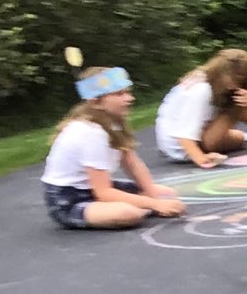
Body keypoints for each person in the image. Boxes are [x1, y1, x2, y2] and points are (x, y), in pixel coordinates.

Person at [42, 62, 186, 230]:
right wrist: (155, 204)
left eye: (128, 92)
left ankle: (139, 208)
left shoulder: (113, 122)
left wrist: (155, 196)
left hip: (91, 190)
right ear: (96, 102)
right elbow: (103, 192)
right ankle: (133, 210)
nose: (129, 98)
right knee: (128, 213)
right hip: (68, 199)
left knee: (167, 193)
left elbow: (133, 164)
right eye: (120, 94)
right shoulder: (91, 132)